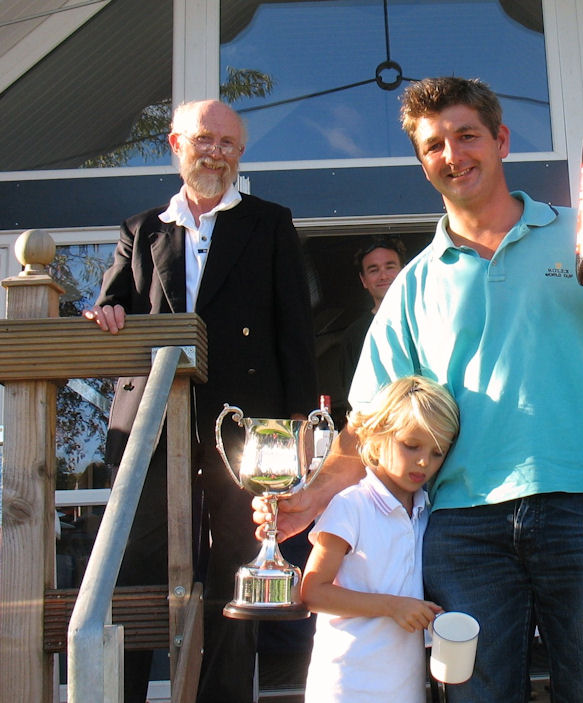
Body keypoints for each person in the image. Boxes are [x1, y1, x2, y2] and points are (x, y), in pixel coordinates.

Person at [255, 76, 583, 702]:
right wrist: (310, 498)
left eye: (466, 136)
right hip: (462, 525)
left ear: (501, 141)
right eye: (434, 146)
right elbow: (367, 423)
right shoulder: (413, 284)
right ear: (422, 162)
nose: (452, 155)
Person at [84, 99, 317, 703]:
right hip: (152, 426)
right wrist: (104, 314)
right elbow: (111, 306)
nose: (216, 153)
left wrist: (297, 426)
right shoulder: (141, 230)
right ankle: (125, 693)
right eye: (205, 140)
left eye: (228, 144)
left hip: (248, 427)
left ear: (240, 154)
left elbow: (294, 326)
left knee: (239, 564)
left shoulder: (270, 222)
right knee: (137, 562)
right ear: (176, 144)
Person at [301, 375, 458, 702]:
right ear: (378, 436)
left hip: (404, 688)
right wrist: (392, 606)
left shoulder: (427, 512)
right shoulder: (350, 505)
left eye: (437, 452)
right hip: (346, 686)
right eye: (411, 445)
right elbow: (312, 591)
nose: (423, 462)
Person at [336, 236, 406, 420]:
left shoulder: (425, 319)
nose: (383, 276)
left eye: (390, 267)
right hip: (375, 426)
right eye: (374, 270)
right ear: (363, 280)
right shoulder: (354, 335)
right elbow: (352, 397)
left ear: (404, 271)